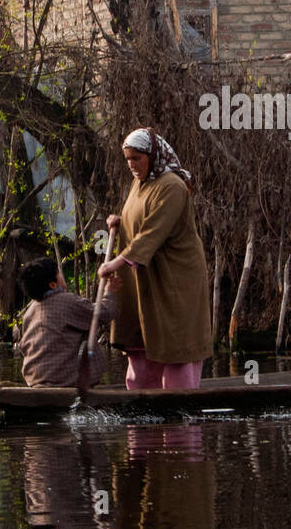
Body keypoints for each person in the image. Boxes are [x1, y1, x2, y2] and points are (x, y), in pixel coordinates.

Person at [98, 127, 212, 389]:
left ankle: (179, 407)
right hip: (144, 276)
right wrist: (120, 220)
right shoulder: (141, 183)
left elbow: (153, 231)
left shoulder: (172, 186)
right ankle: (142, 405)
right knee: (140, 341)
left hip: (174, 277)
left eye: (136, 158)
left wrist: (115, 263)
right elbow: (138, 220)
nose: (131, 165)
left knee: (174, 342)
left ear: (153, 156)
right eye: (128, 159)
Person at [15, 256, 120, 388]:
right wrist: (109, 292)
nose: (61, 275)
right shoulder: (67, 301)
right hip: (65, 381)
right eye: (58, 273)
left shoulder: (29, 312)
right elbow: (104, 313)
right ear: (53, 285)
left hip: (34, 380)